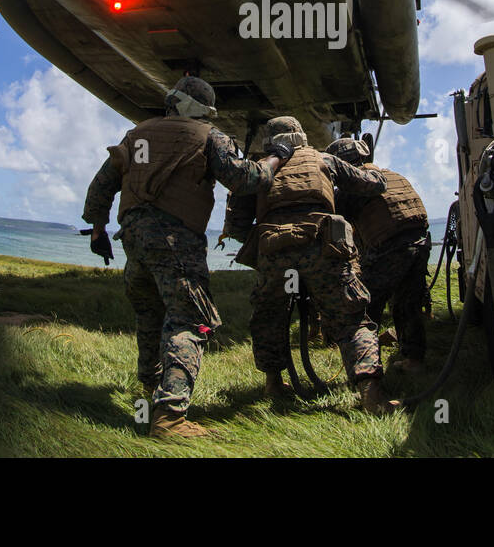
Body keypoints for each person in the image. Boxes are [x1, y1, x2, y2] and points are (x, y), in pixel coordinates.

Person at [82, 76, 288, 440]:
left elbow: (101, 186)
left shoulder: (136, 135)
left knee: (149, 314)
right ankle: (170, 417)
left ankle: (149, 392)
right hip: (176, 241)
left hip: (133, 239)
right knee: (190, 321)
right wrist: (275, 158)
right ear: (204, 110)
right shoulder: (208, 136)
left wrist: (98, 231)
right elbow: (244, 180)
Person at [225, 116, 398, 414]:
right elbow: (373, 184)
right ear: (302, 136)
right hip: (322, 245)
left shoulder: (260, 168)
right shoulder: (324, 159)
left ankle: (273, 383)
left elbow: (238, 225)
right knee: (351, 316)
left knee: (269, 316)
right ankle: (370, 394)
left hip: (274, 249)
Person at [326, 138, 430, 373]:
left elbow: (334, 219)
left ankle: (366, 372)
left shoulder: (355, 185)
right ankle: (414, 360)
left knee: (363, 309)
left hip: (391, 248)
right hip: (420, 242)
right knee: (408, 303)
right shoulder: (392, 175)